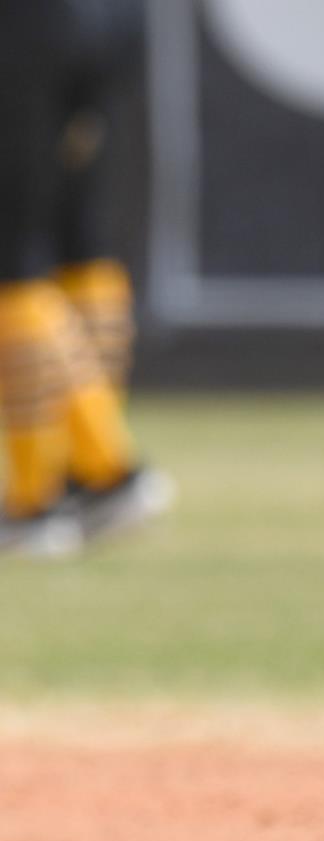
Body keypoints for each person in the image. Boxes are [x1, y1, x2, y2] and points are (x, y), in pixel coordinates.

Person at [0, 0, 170, 559]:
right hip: (114, 21)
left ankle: (59, 488)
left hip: (30, 26)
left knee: (14, 256)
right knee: (79, 239)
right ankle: (87, 473)